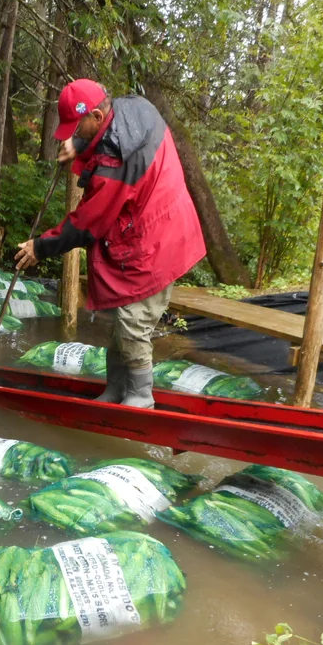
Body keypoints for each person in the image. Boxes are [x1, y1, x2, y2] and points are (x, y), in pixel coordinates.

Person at [15, 79, 207, 408]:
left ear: (97, 115)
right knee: (121, 324)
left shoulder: (114, 167)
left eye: (78, 127)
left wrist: (40, 246)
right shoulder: (135, 109)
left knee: (133, 324)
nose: (73, 133)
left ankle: (140, 397)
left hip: (154, 244)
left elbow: (87, 223)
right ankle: (116, 390)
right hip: (158, 227)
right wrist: (79, 143)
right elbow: (106, 140)